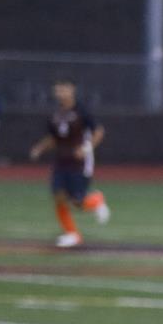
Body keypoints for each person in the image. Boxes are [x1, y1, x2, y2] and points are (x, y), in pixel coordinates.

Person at [26, 80, 109, 249]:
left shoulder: (82, 111)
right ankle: (73, 234)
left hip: (80, 162)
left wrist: (86, 149)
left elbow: (99, 132)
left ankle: (96, 200)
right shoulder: (55, 114)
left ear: (72, 90)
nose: (61, 93)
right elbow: (53, 138)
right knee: (59, 197)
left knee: (77, 201)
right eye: (58, 90)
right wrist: (39, 148)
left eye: (64, 89)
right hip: (61, 161)